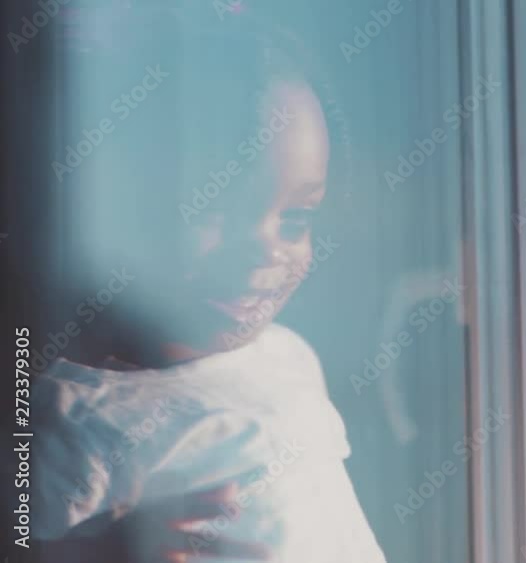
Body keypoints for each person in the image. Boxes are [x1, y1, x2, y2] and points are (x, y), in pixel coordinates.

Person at [33, 5, 384, 562]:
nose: (267, 249)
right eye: (217, 210)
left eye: (295, 219)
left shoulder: (287, 355)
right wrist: (98, 552)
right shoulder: (69, 426)